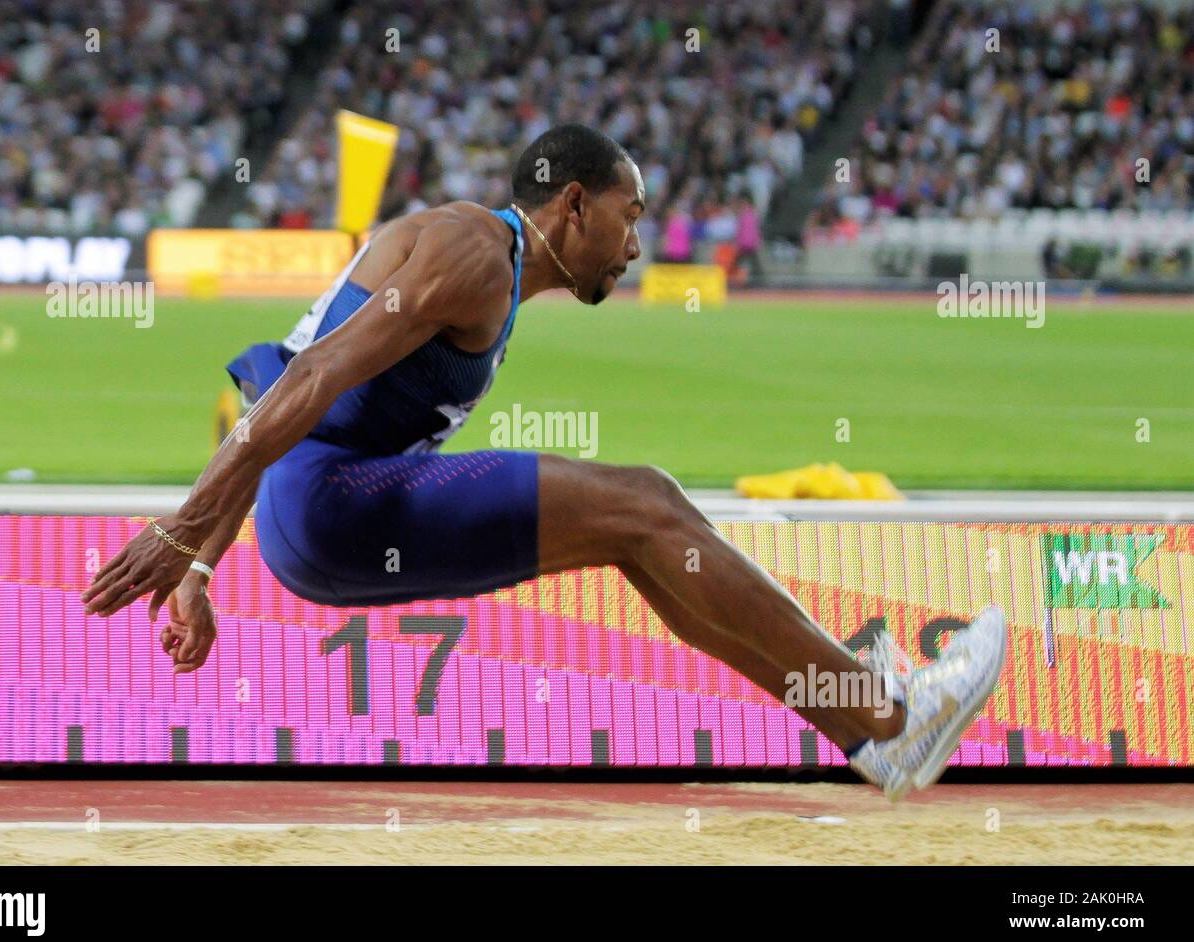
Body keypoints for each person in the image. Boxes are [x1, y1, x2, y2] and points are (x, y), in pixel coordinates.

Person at [80, 124, 1006, 800]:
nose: (636, 244)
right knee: (649, 505)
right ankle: (886, 716)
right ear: (574, 204)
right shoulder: (474, 253)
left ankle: (867, 732)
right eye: (628, 217)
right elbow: (310, 377)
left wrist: (202, 567)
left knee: (644, 539)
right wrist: (184, 531)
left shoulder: (483, 259)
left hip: (310, 510)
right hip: (332, 504)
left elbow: (281, 378)